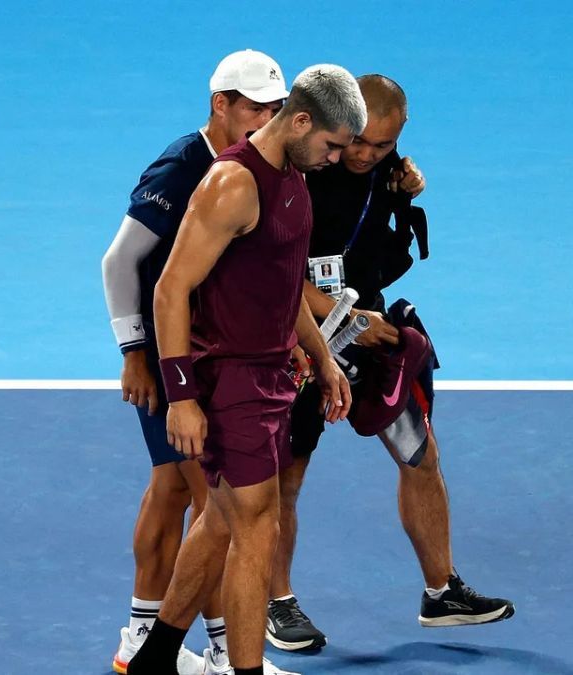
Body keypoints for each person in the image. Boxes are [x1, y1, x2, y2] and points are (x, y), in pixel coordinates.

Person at [126, 64, 365, 675]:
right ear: (303, 120)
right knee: (257, 524)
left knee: (221, 519)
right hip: (227, 378)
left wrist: (322, 356)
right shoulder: (230, 183)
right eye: (333, 144)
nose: (337, 158)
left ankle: (154, 658)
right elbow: (169, 291)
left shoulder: (295, 177)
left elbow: (288, 286)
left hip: (270, 378)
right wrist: (180, 397)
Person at [264, 74, 514, 654]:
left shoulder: (386, 166)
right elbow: (273, 273)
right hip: (301, 342)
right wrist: (342, 318)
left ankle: (441, 590)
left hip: (370, 337)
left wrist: (404, 188)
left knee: (420, 455)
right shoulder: (296, 171)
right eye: (359, 144)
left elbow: (379, 230)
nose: (366, 156)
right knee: (284, 481)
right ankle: (277, 602)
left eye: (382, 146)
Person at [100, 49, 288, 674]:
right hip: (166, 357)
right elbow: (120, 262)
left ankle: (151, 638)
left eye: (274, 110)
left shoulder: (254, 168)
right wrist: (134, 354)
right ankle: (193, 646)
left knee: (180, 492)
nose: (264, 120)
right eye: (254, 109)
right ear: (221, 104)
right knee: (211, 503)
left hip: (208, 357)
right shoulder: (185, 167)